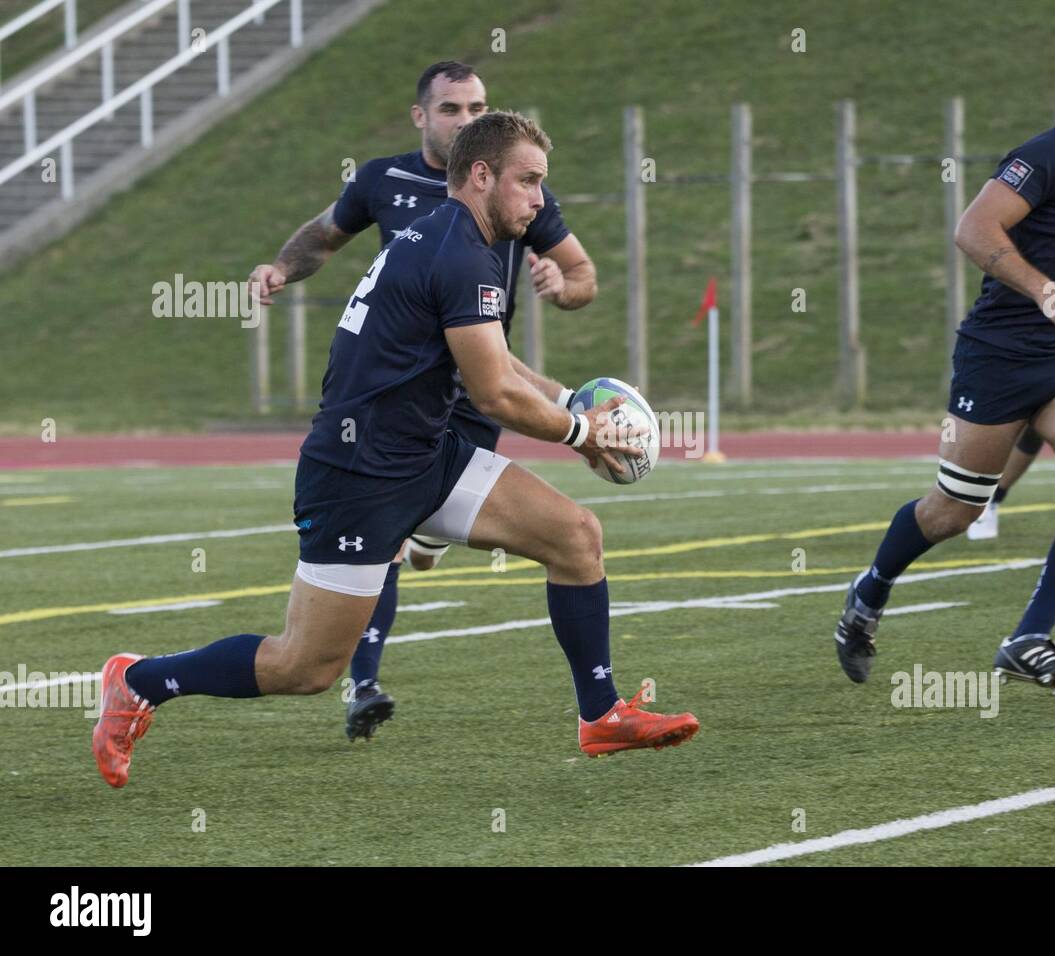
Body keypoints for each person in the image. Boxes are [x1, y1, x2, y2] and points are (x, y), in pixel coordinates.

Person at [93, 112, 699, 789]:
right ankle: (138, 680)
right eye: (527, 182)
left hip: (424, 456)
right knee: (306, 669)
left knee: (576, 536)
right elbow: (495, 393)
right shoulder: (459, 252)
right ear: (480, 175)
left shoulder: (458, 238)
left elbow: (499, 363)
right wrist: (582, 435)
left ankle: (601, 714)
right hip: (359, 476)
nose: (538, 200)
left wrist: (569, 407)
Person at [248, 62, 598, 740]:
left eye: (478, 106)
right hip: (397, 410)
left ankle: (602, 713)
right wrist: (281, 267)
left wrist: (563, 287)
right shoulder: (393, 188)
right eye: (451, 108)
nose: (465, 118)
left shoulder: (516, 196)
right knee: (313, 651)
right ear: (423, 119)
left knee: (572, 533)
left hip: (463, 387)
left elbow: (581, 277)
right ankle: (364, 678)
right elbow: (322, 236)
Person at [835, 28, 1055, 692]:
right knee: (953, 512)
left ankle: (1027, 638)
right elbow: (973, 228)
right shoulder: (1051, 154)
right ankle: (870, 591)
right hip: (1001, 354)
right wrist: (1045, 289)